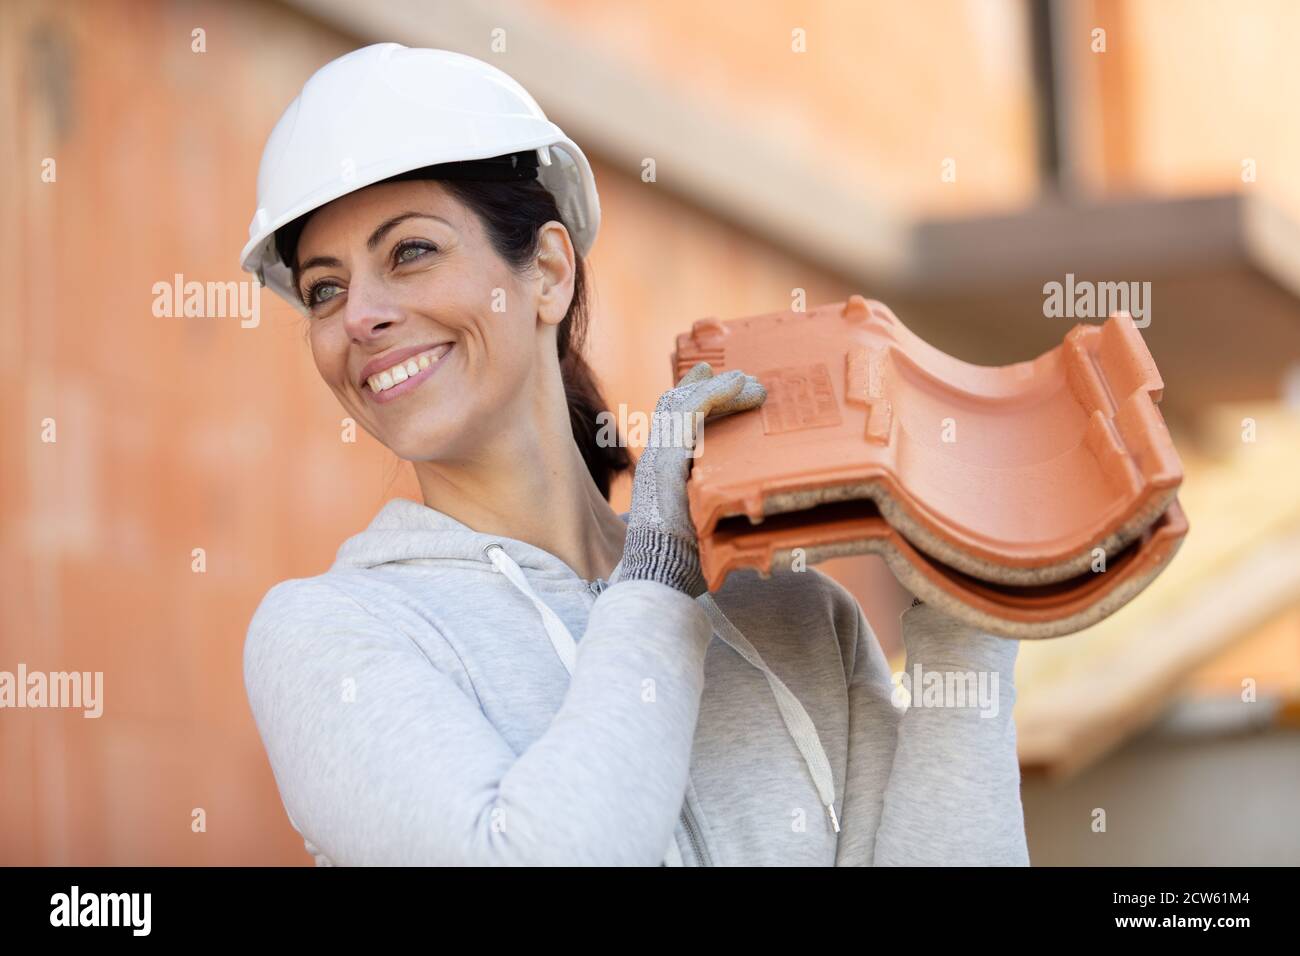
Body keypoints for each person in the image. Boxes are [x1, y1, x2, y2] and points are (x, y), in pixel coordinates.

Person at [240, 43, 1028, 866]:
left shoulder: (787, 611)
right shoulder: (334, 634)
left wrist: (963, 623)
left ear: (546, 272)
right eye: (325, 288)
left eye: (410, 252)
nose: (360, 316)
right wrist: (656, 572)